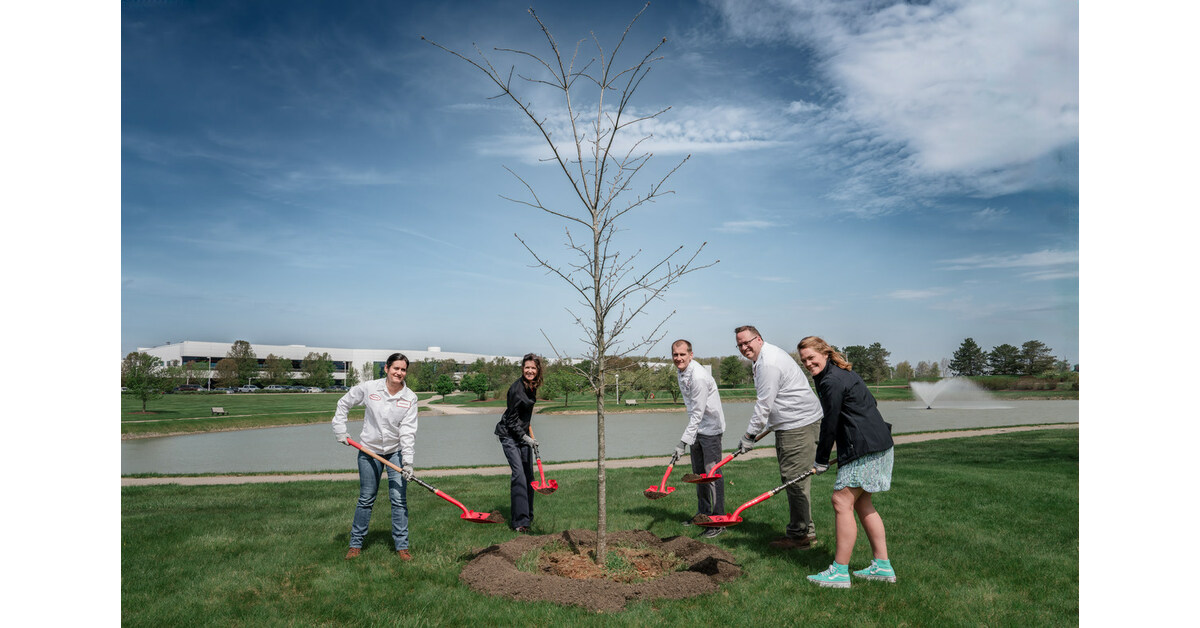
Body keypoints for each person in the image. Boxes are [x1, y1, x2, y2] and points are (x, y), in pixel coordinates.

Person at [798, 336, 896, 589]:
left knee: (841, 501)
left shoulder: (831, 380)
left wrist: (821, 459)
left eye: (811, 357)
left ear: (825, 353)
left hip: (864, 447)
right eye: (804, 360)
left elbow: (830, 423)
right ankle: (882, 566)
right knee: (862, 502)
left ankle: (839, 572)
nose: (808, 363)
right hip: (879, 443)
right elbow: (870, 403)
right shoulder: (840, 373)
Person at [733, 325, 824, 549]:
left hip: (798, 425)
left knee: (794, 480)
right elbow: (776, 400)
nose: (744, 347)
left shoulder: (769, 363)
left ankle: (800, 536)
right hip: (790, 423)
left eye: (747, 342)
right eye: (740, 345)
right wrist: (765, 428)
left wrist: (749, 435)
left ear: (759, 339)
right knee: (793, 479)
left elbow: (764, 404)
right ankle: (805, 531)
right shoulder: (762, 358)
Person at [332, 352, 420, 561]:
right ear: (387, 368)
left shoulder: (410, 397)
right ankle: (355, 545)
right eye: (396, 368)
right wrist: (340, 429)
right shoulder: (369, 388)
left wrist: (407, 462)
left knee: (398, 500)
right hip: (369, 451)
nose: (399, 372)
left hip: (395, 452)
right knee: (366, 498)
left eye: (403, 369)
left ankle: (402, 547)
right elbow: (344, 403)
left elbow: (407, 431)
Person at [670, 339, 726, 539]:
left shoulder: (699, 376)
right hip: (697, 429)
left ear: (691, 355)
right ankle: (703, 514)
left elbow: (698, 413)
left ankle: (718, 520)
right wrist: (689, 437)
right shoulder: (681, 372)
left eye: (682, 354)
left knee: (712, 475)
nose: (678, 358)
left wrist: (682, 442)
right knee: (699, 475)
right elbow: (692, 409)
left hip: (710, 429)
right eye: (675, 355)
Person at [495, 353, 544, 533]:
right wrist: (525, 438)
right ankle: (519, 523)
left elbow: (524, 415)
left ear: (538, 370)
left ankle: (528, 516)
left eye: (533, 368)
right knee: (519, 476)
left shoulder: (531, 386)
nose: (530, 371)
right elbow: (511, 420)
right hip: (509, 435)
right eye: (527, 367)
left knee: (529, 477)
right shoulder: (516, 389)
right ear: (522, 369)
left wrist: (528, 434)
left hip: (522, 435)